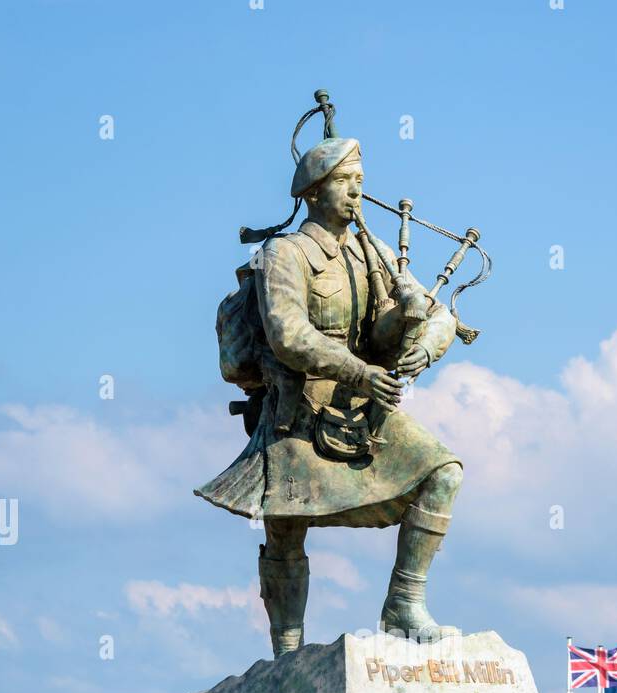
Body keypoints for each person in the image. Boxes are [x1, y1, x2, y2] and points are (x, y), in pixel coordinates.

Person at [197, 123, 463, 653]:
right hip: (296, 415)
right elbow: (289, 335)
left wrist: (413, 331)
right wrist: (363, 372)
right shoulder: (285, 255)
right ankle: (288, 653)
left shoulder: (374, 253)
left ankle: (403, 605)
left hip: (365, 414)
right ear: (314, 191)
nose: (358, 191)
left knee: (443, 474)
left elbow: (416, 323)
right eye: (346, 181)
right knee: (286, 528)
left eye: (361, 179)